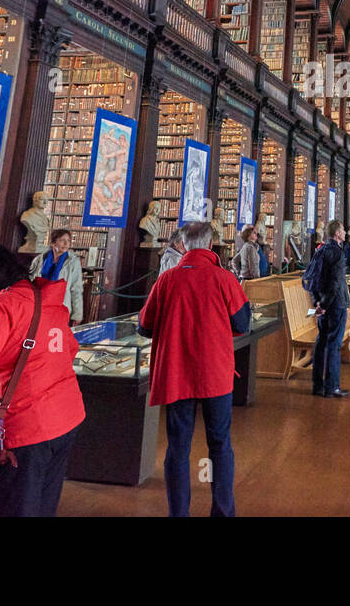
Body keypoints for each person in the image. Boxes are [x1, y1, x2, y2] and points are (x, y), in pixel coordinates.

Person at [0, 243, 85, 517]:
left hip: (25, 427)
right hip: (66, 418)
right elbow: (69, 349)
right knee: (42, 506)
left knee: (15, 507)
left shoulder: (0, 307)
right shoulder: (46, 299)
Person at [138, 221, 250, 516]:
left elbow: (144, 326)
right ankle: (223, 511)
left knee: (177, 447)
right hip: (215, 372)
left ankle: (179, 513)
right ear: (211, 245)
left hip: (177, 373)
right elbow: (242, 323)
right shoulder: (224, 279)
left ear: (184, 245)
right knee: (220, 444)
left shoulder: (167, 280)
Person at [311, 219, 350, 398]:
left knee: (321, 343)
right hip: (336, 305)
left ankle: (318, 385)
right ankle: (332, 386)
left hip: (324, 304)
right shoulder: (338, 253)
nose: (345, 232)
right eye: (343, 230)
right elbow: (335, 283)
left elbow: (312, 278)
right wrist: (325, 304)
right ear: (337, 234)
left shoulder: (320, 250)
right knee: (334, 344)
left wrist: (318, 303)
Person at [29, 227, 83, 326]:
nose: (66, 244)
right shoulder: (39, 259)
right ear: (53, 243)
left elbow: (76, 289)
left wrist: (77, 315)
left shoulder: (73, 261)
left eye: (68, 241)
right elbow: (31, 282)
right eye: (62, 240)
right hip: (40, 304)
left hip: (61, 305)